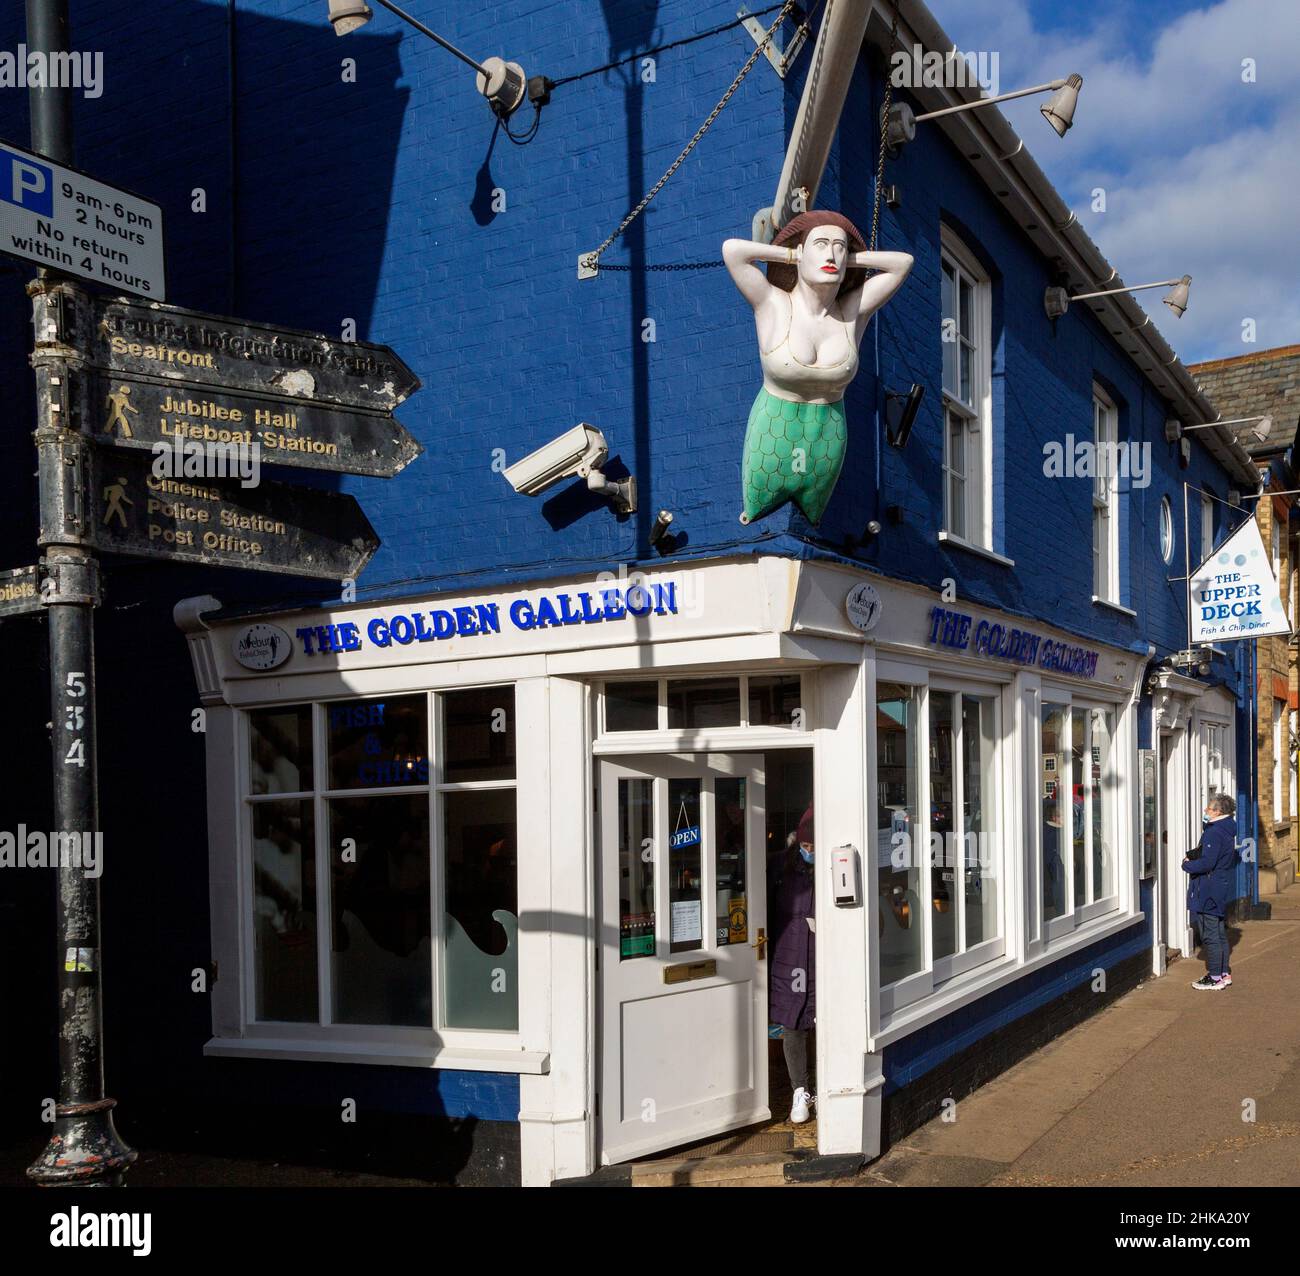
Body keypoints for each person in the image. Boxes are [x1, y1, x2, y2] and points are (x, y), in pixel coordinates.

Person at [722, 212, 912, 526]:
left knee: (813, 519)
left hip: (828, 437)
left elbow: (902, 263)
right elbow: (733, 251)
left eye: (840, 247)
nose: (831, 255)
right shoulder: (772, 303)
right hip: (772, 430)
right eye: (821, 244)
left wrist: (850, 259)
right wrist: (788, 253)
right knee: (759, 515)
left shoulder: (851, 312)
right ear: (800, 251)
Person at [770, 804, 817, 1124]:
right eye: (804, 846)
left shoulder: (828, 868)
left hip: (821, 954)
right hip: (788, 954)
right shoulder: (780, 867)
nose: (809, 851)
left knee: (824, 1021)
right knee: (792, 1024)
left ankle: (825, 1086)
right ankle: (799, 1090)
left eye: (813, 846)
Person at [1182, 793, 1238, 990]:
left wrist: (1187, 865)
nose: (1205, 811)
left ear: (1217, 811)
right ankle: (1223, 974)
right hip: (1219, 885)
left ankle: (1214, 977)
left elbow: (1208, 863)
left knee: (1210, 934)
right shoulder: (1227, 829)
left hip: (1209, 888)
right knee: (1220, 932)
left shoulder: (1214, 832)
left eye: (1208, 808)